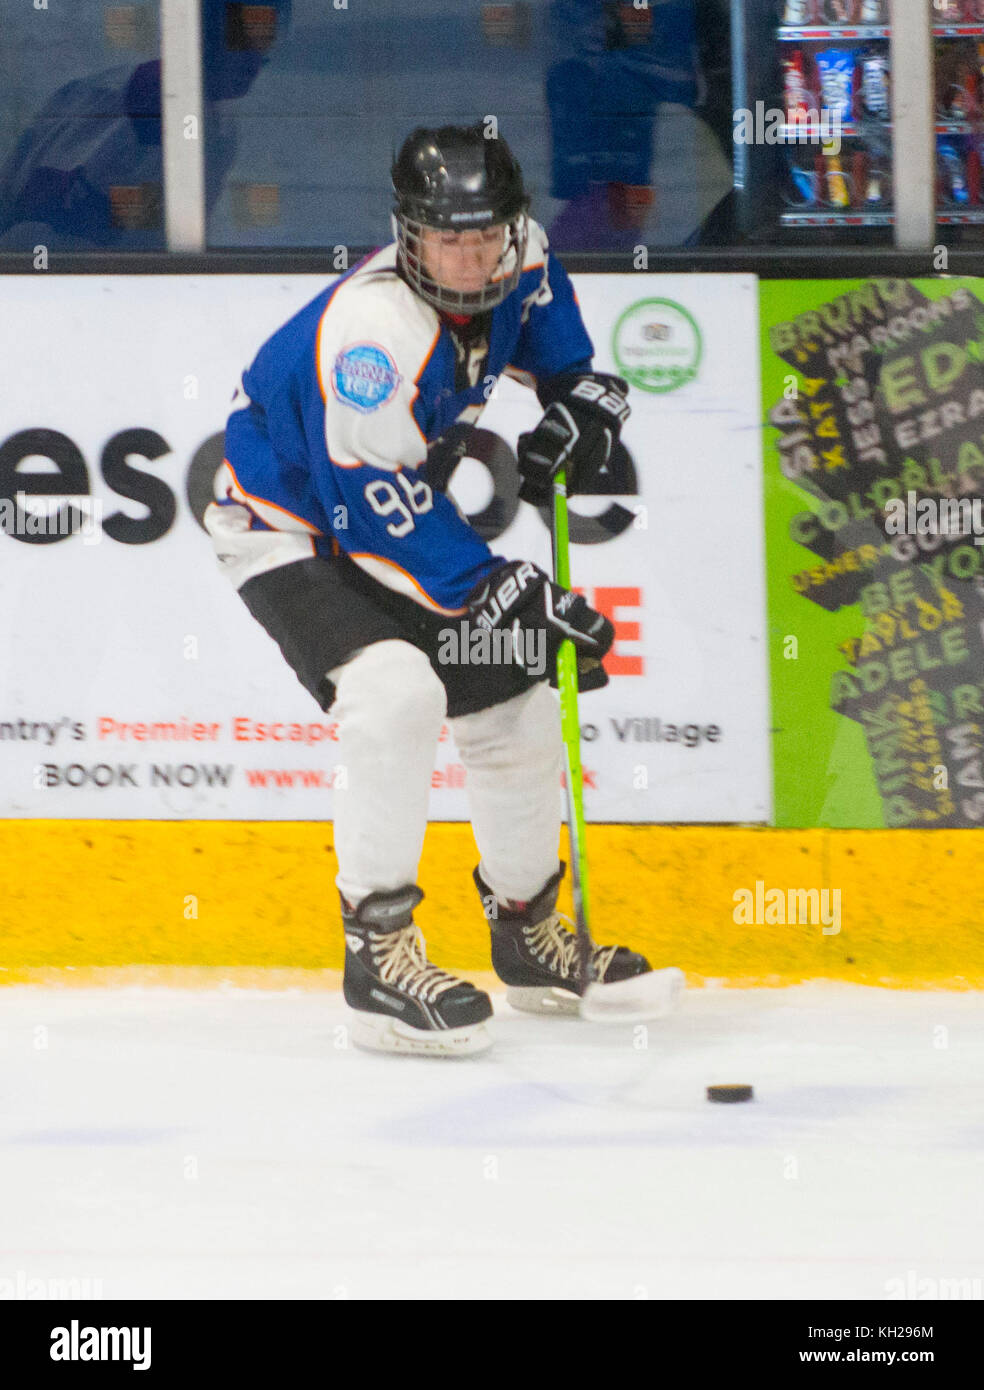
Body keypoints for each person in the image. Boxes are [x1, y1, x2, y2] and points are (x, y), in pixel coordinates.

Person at [204, 123, 654, 1056]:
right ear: (409, 235)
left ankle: (527, 934)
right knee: (395, 694)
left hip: (384, 512)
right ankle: (377, 957)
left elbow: (557, 336)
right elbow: (374, 514)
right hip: (285, 527)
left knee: (516, 702)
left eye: (486, 233)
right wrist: (501, 592)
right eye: (449, 238)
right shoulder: (375, 341)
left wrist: (581, 399)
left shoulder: (518, 254)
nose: (470, 255)